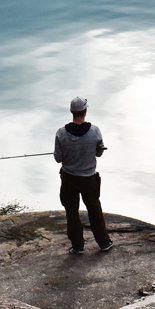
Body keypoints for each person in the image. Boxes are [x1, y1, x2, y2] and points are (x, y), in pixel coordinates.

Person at [54, 96, 112, 254]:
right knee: (94, 209)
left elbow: (58, 158)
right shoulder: (95, 131)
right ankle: (104, 242)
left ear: (72, 111)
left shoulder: (61, 133)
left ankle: (78, 245)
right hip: (88, 178)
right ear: (85, 111)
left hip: (69, 178)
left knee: (71, 211)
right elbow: (99, 153)